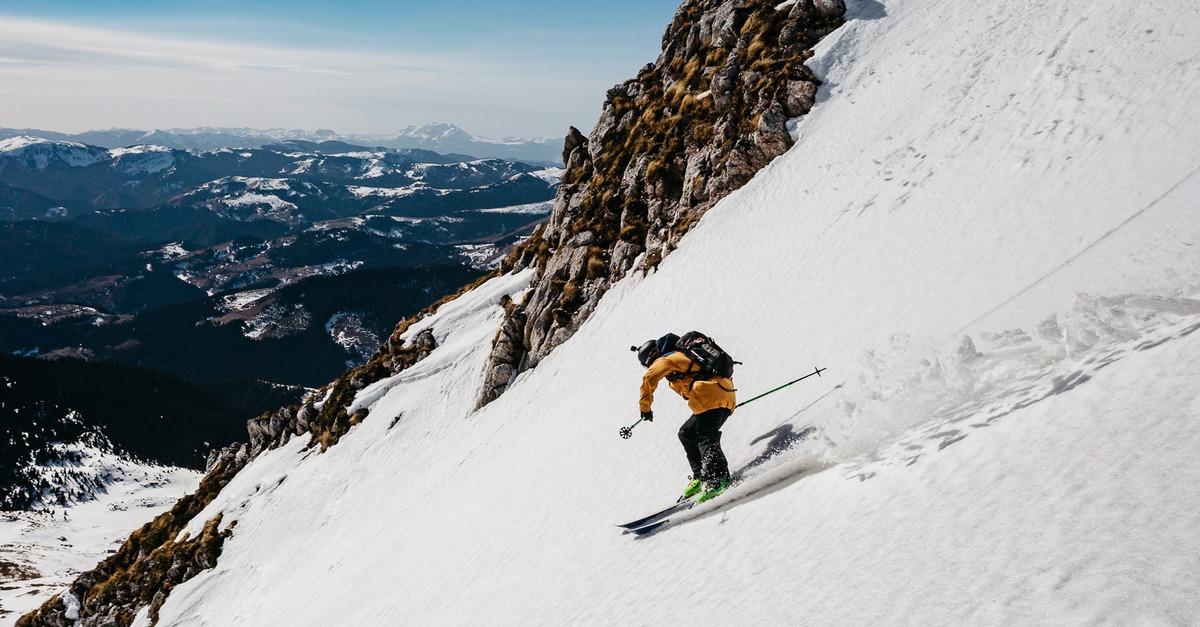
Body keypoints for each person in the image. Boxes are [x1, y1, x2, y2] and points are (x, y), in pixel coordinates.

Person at [635, 333, 736, 503]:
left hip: (710, 397)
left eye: (647, 365)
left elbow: (649, 378)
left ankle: (718, 479)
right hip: (715, 397)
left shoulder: (667, 359)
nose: (648, 368)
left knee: (706, 436)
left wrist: (645, 408)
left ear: (650, 358)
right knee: (686, 433)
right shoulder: (682, 357)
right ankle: (700, 475)